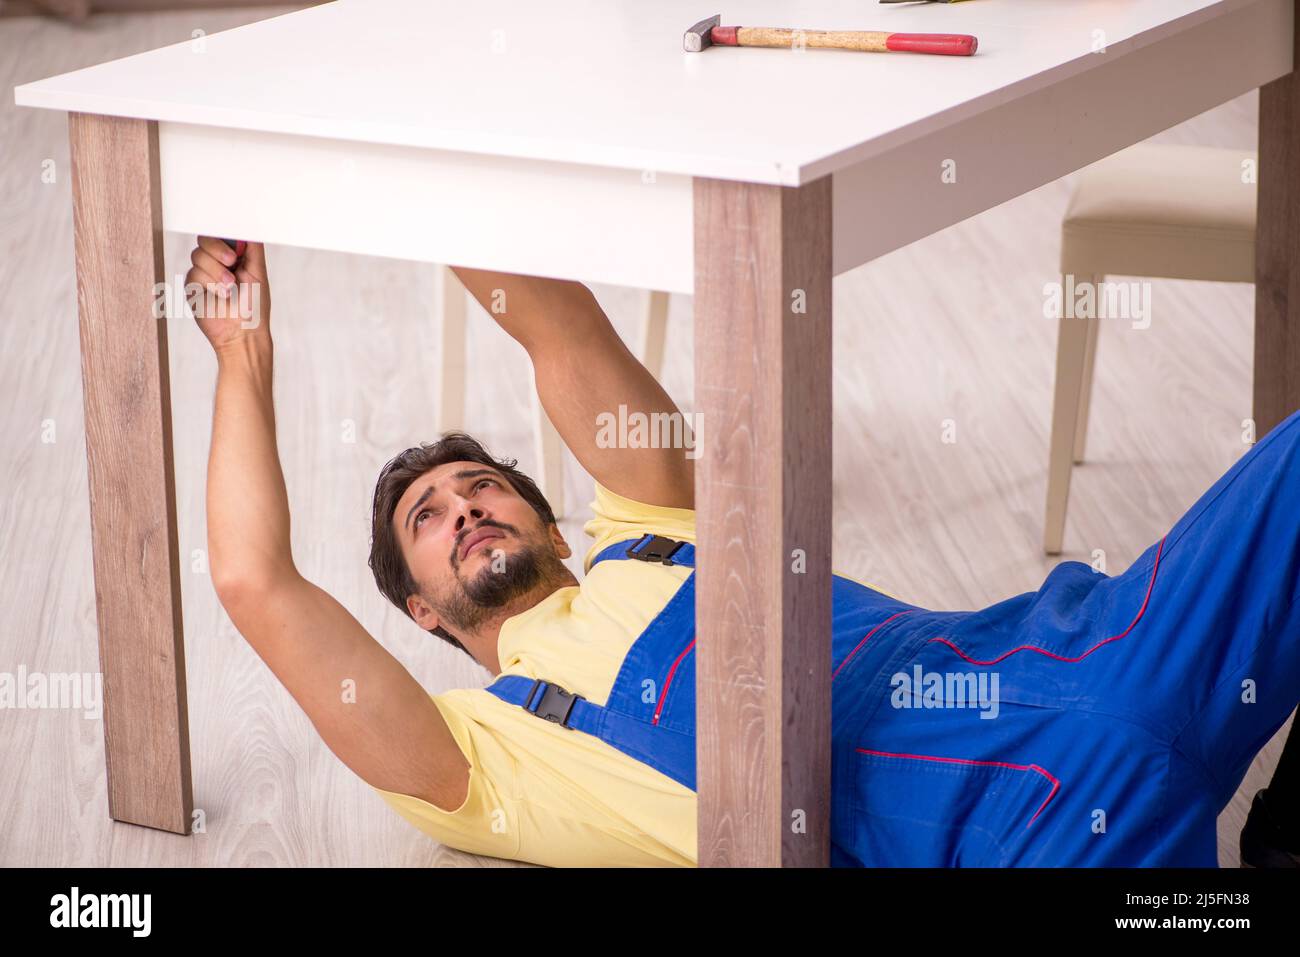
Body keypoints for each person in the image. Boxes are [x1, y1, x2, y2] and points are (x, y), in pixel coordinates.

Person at [188, 236, 1300, 868]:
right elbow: (255, 581)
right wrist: (243, 354)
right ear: (424, 614)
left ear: (557, 525)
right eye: (425, 520)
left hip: (1103, 646)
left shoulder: (652, 534)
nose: (464, 509)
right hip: (1016, 838)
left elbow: (551, 318)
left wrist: (395, 152)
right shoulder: (478, 759)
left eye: (481, 486)